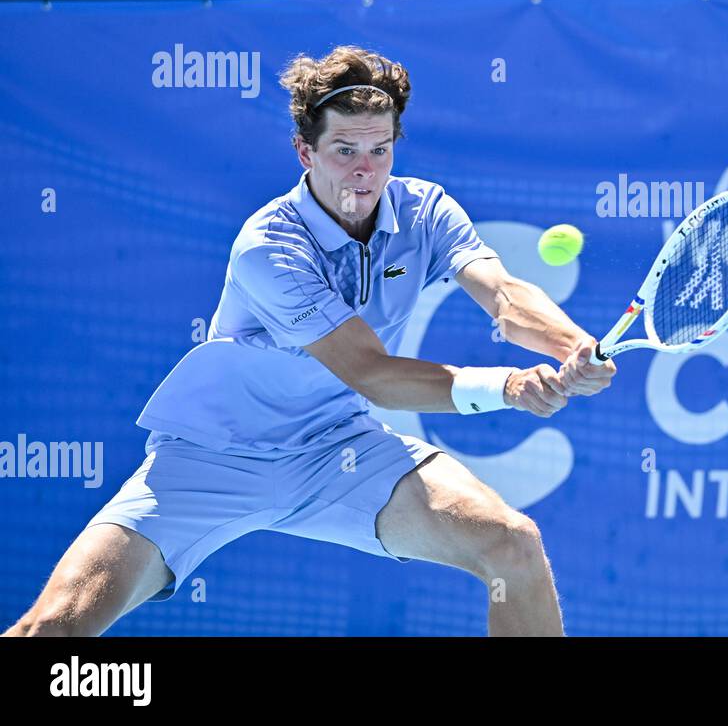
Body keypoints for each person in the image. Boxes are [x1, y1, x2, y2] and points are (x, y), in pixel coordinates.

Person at [3, 46, 613, 637]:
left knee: (512, 544)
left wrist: (571, 346)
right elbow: (369, 373)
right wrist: (509, 387)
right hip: (211, 456)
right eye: (345, 150)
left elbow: (504, 296)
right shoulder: (270, 245)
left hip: (335, 449)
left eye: (379, 149)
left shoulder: (424, 210)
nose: (364, 169)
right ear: (305, 151)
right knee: (56, 626)